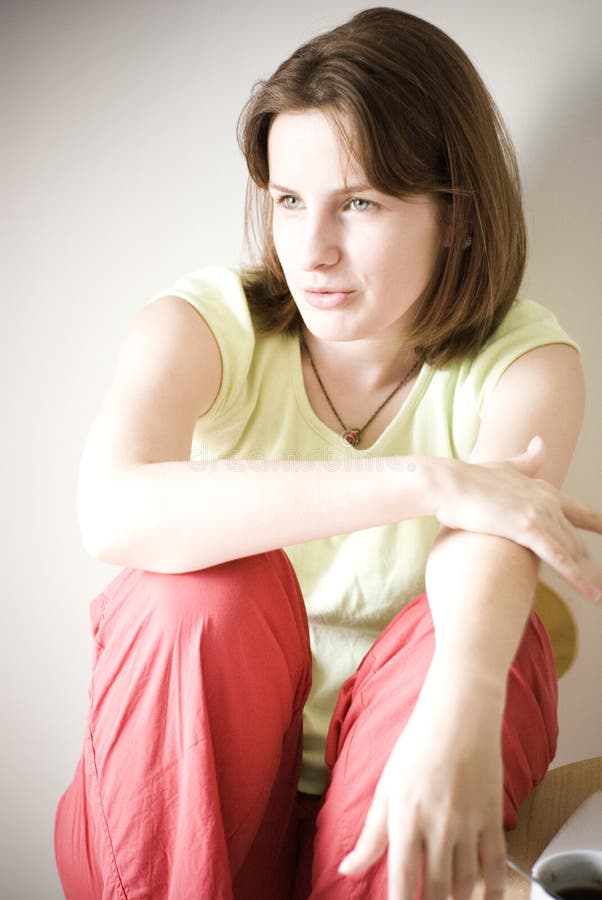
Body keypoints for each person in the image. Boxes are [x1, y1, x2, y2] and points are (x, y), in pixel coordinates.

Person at [54, 7, 602, 900]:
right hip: (182, 803)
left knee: (468, 642)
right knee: (194, 592)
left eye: (360, 203)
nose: (312, 252)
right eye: (289, 201)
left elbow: (488, 556)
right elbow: (111, 512)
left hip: (407, 767)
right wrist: (433, 479)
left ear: (457, 219)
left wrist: (460, 716)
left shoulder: (525, 362)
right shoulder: (201, 324)